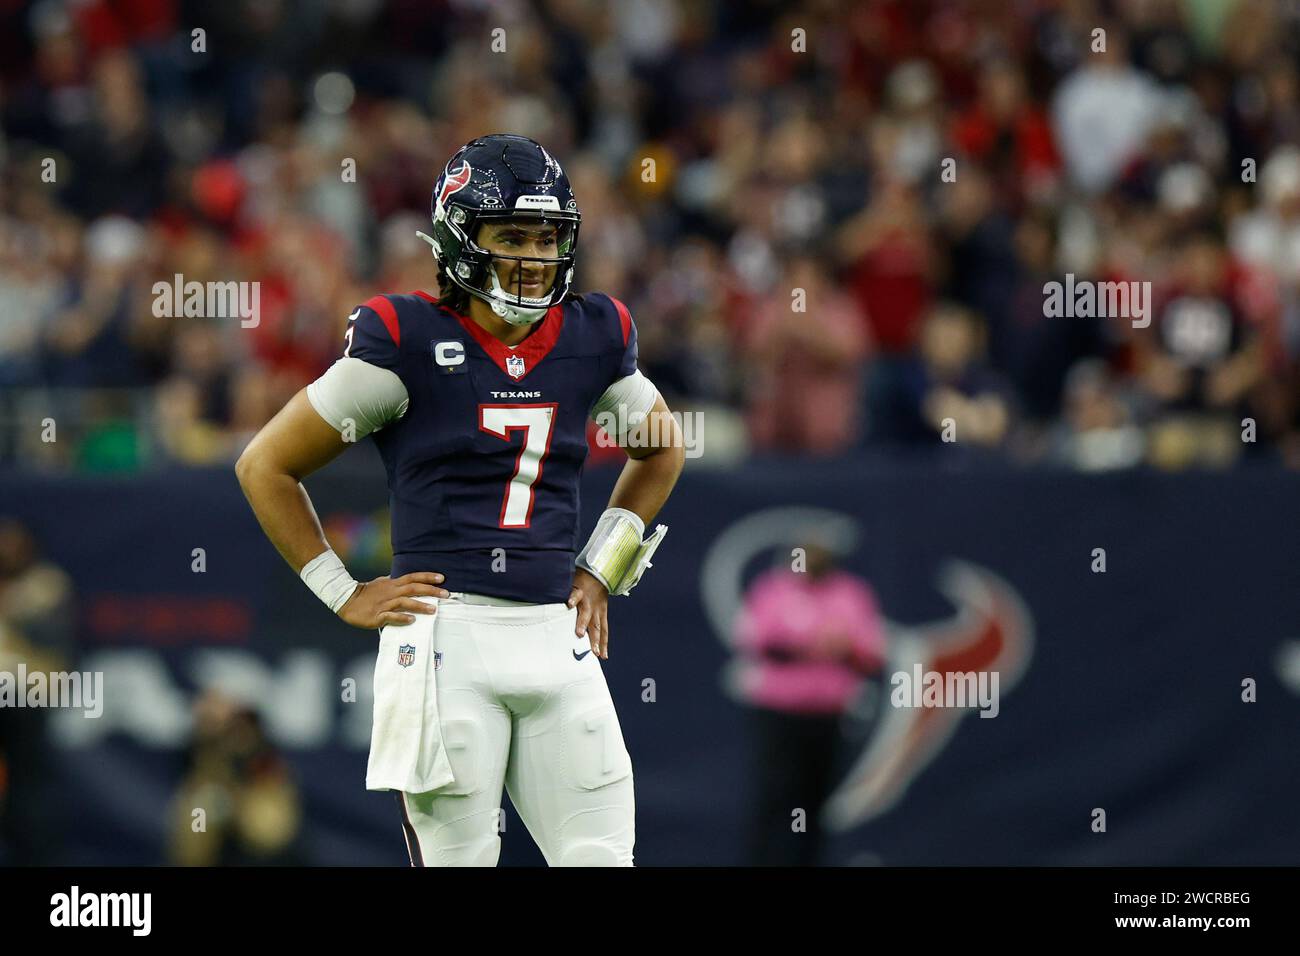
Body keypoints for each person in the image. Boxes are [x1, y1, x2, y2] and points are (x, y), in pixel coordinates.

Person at [236, 134, 684, 866]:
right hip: (446, 640)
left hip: (555, 632)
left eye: (547, 238)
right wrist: (340, 590)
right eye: (511, 235)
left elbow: (663, 445)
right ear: (458, 238)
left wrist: (603, 566)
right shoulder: (405, 338)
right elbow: (266, 464)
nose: (533, 258)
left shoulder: (593, 334)